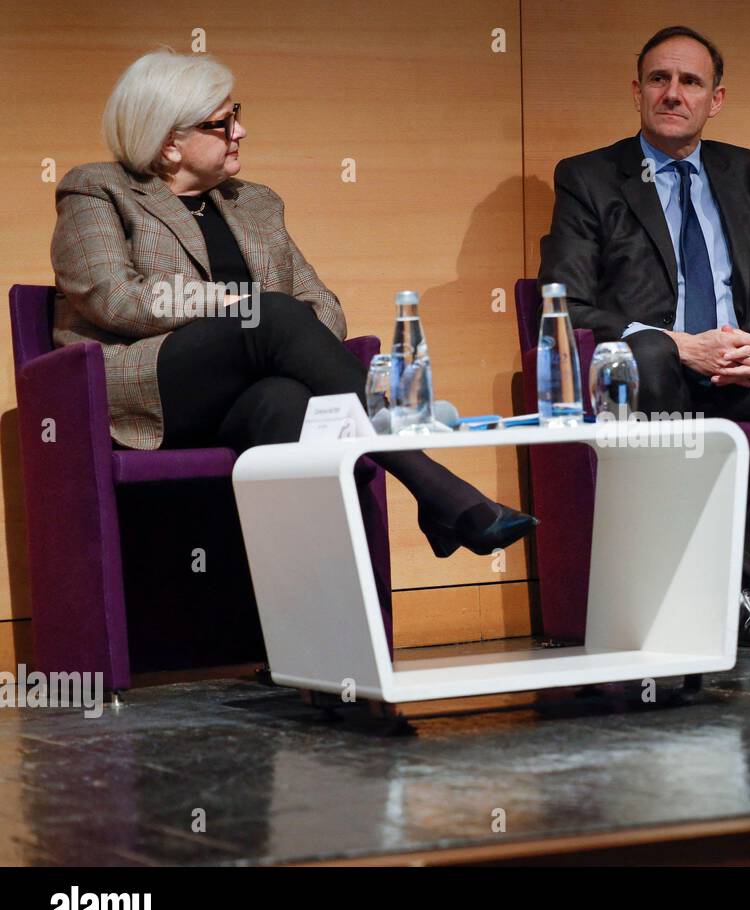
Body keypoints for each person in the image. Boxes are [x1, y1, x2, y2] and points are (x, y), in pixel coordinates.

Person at [51, 49, 535, 559]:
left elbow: (322, 304)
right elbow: (114, 297)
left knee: (285, 400)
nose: (240, 132)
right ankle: (430, 480)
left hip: (242, 398)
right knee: (270, 312)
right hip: (150, 391)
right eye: (223, 122)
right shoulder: (97, 190)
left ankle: (290, 612)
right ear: (171, 144)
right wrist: (238, 306)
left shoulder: (254, 202)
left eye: (236, 114)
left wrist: (268, 320)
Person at [538, 26, 750, 647]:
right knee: (655, 353)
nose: (672, 93)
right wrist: (681, 343)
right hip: (650, 370)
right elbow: (566, 305)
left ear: (714, 99)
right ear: (637, 91)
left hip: (739, 369)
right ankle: (678, 593)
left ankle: (725, 574)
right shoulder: (589, 177)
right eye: (659, 79)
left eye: (690, 81)